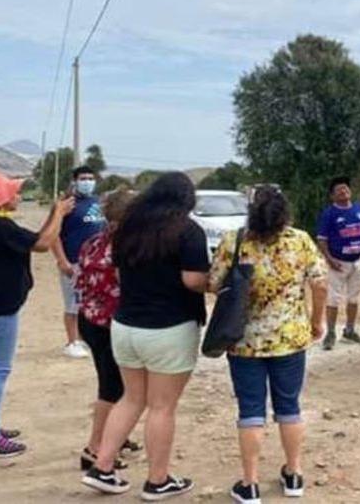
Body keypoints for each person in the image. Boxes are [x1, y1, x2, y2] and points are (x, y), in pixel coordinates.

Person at [82, 172, 207, 501]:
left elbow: (121, 275)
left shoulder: (128, 230)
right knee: (162, 407)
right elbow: (193, 280)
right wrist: (215, 283)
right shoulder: (187, 230)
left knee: (131, 398)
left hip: (125, 326)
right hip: (169, 328)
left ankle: (103, 467)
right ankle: (158, 480)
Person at [209, 187, 327, 504]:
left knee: (250, 411)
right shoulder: (300, 240)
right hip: (290, 340)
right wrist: (316, 322)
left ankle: (249, 484)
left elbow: (213, 283)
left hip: (243, 342)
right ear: (284, 213)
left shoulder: (235, 241)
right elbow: (320, 283)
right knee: (289, 407)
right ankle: (294, 474)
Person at [0, 171, 74, 458]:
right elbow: (41, 243)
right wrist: (60, 214)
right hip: (1, 306)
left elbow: (35, 237)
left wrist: (53, 214)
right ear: (1, 197)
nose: (17, 197)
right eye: (13, 193)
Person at [74, 189, 142, 472]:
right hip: (110, 324)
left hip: (89, 319)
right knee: (112, 389)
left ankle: (117, 435)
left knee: (118, 384)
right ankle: (95, 449)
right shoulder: (127, 247)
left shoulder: (93, 242)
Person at [53, 165, 105, 358]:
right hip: (74, 261)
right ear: (75, 181)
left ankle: (86, 339)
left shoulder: (98, 202)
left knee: (91, 303)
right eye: (83, 178)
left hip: (96, 263)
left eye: (90, 178)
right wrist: (62, 261)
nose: (87, 182)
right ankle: (72, 341)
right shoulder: (67, 204)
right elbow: (54, 235)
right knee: (73, 304)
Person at [315, 176, 360, 350]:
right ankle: (331, 333)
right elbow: (322, 240)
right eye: (338, 189)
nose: (343, 191)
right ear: (332, 196)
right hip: (337, 263)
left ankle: (350, 329)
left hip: (358, 261)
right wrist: (330, 260)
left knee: (354, 298)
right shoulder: (329, 214)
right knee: (333, 299)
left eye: (345, 188)